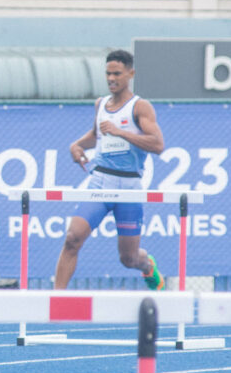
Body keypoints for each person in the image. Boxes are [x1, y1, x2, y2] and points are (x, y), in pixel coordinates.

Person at [53, 49, 167, 290]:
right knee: (72, 239)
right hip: (100, 182)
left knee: (128, 259)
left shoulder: (140, 107)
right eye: (108, 74)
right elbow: (96, 135)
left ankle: (147, 266)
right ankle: (57, 301)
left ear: (130, 73)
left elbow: (157, 145)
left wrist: (121, 132)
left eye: (117, 73)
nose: (111, 79)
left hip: (129, 187)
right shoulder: (101, 104)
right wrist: (76, 146)